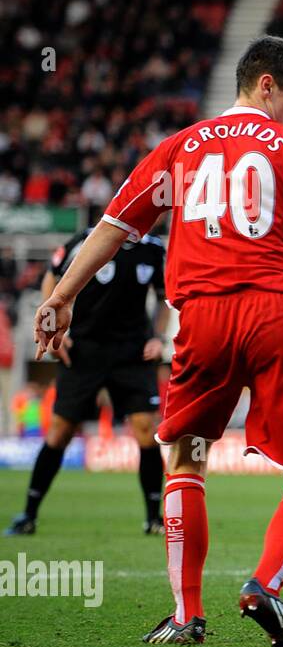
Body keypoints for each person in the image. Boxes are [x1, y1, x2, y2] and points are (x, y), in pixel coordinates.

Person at [33, 35, 283, 647]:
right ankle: (265, 587)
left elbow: (113, 228)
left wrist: (62, 296)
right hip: (276, 312)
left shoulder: (176, 149)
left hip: (199, 317)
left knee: (187, 459)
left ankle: (185, 616)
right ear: (267, 87)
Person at [7, 219, 169, 537]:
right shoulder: (86, 241)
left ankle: (153, 518)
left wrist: (158, 337)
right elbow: (52, 279)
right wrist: (55, 324)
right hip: (83, 350)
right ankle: (28, 514)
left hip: (132, 353)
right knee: (60, 432)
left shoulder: (153, 249)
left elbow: (164, 298)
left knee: (146, 430)